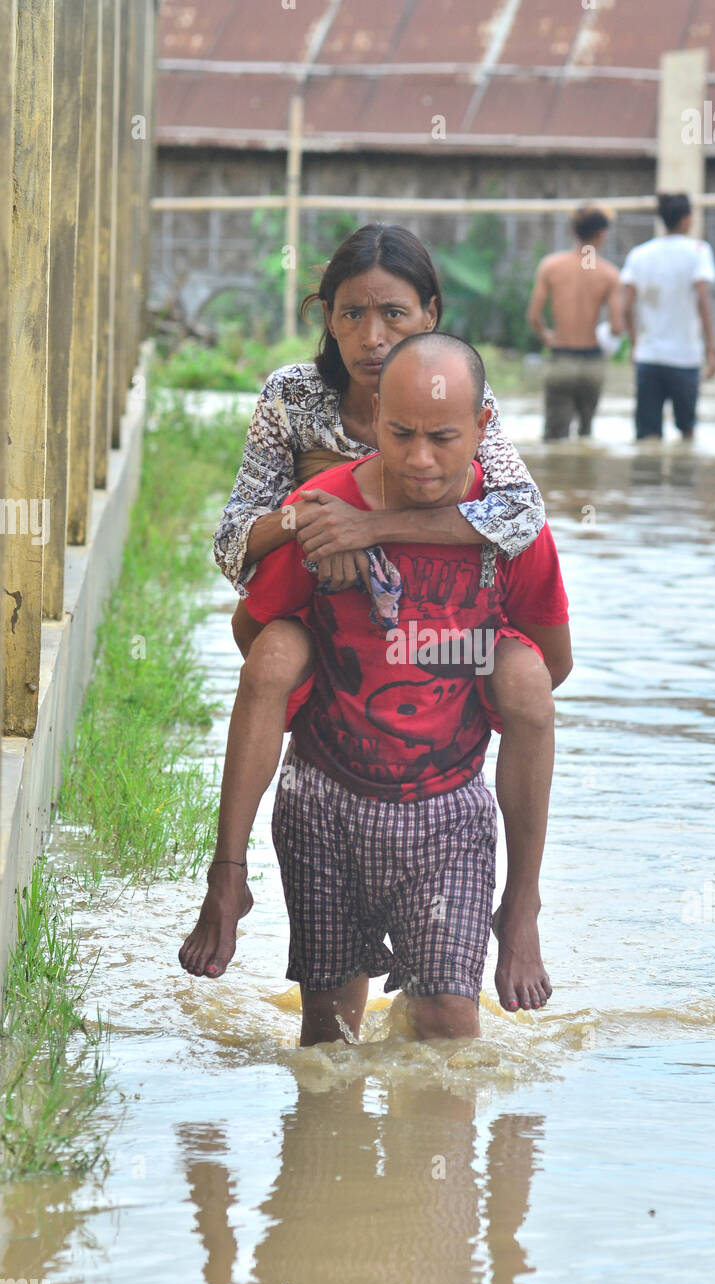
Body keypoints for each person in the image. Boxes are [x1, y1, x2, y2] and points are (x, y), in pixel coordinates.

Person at [180, 226, 557, 1010]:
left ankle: (520, 903)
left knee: (525, 683)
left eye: (392, 314)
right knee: (274, 660)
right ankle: (228, 873)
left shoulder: (461, 394)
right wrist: (312, 516)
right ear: (326, 317)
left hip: (437, 630)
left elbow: (520, 515)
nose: (371, 336)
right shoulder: (292, 396)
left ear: (430, 315)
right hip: (317, 612)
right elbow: (230, 543)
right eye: (350, 315)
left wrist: (371, 526)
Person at [245, 333, 571, 1043]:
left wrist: (450, 655)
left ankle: (520, 908)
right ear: (372, 418)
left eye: (443, 438)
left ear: (483, 429)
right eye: (400, 435)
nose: (420, 459)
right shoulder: (325, 510)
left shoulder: (510, 526)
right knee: (328, 1041)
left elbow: (552, 667)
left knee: (451, 1034)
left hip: (447, 807)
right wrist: (324, 647)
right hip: (327, 795)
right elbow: (255, 636)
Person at [620, 192, 715, 441]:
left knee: (647, 436)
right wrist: (711, 350)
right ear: (686, 219)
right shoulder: (699, 251)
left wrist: (635, 344)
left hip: (649, 357)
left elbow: (625, 307)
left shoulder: (639, 254)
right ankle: (683, 479)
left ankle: (645, 479)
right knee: (687, 433)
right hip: (684, 359)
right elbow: (703, 301)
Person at [527, 205, 624, 440]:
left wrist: (546, 336)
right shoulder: (609, 274)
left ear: (572, 232)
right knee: (585, 437)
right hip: (591, 364)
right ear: (602, 234)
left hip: (561, 360)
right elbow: (617, 327)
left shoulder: (551, 266)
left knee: (554, 438)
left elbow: (533, 317)